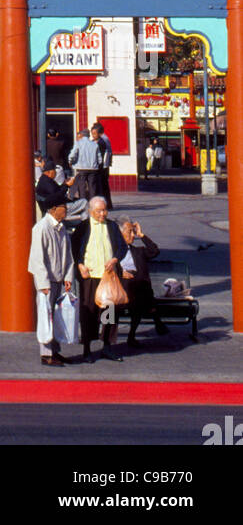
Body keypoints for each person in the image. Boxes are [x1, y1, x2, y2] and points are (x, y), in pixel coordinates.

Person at [72, 197, 126, 362]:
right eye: (98, 211)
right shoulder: (83, 227)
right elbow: (74, 250)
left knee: (108, 313)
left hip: (108, 277)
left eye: (104, 210)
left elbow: (122, 247)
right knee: (89, 312)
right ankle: (87, 348)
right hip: (90, 278)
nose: (102, 214)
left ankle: (107, 346)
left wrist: (115, 259)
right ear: (90, 211)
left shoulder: (112, 226)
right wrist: (80, 265)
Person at [28, 200, 75, 367]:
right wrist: (43, 284)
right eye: (64, 207)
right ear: (54, 208)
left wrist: (68, 277)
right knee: (46, 317)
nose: (67, 210)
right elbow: (37, 258)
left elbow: (68, 255)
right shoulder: (41, 227)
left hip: (58, 278)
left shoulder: (62, 228)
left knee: (56, 317)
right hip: (47, 281)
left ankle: (55, 351)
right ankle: (46, 354)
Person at [118, 217, 169, 347]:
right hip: (119, 289)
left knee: (140, 290)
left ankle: (132, 335)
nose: (133, 235)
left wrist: (142, 235)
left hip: (137, 291)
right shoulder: (112, 251)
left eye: (133, 232)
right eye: (130, 232)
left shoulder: (137, 251)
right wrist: (120, 272)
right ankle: (156, 318)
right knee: (140, 291)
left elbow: (154, 251)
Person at [68, 128, 105, 202]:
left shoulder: (78, 143)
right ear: (89, 135)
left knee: (82, 187)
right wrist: (97, 164)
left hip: (81, 168)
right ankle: (93, 203)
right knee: (92, 187)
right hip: (93, 169)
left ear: (82, 135)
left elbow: (72, 155)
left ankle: (82, 203)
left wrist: (71, 161)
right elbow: (100, 159)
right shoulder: (95, 144)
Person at [93, 121, 114, 209]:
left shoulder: (102, 141)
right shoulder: (106, 138)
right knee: (105, 186)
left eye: (94, 132)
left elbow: (101, 155)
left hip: (102, 167)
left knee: (102, 186)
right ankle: (108, 204)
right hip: (105, 166)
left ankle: (105, 204)